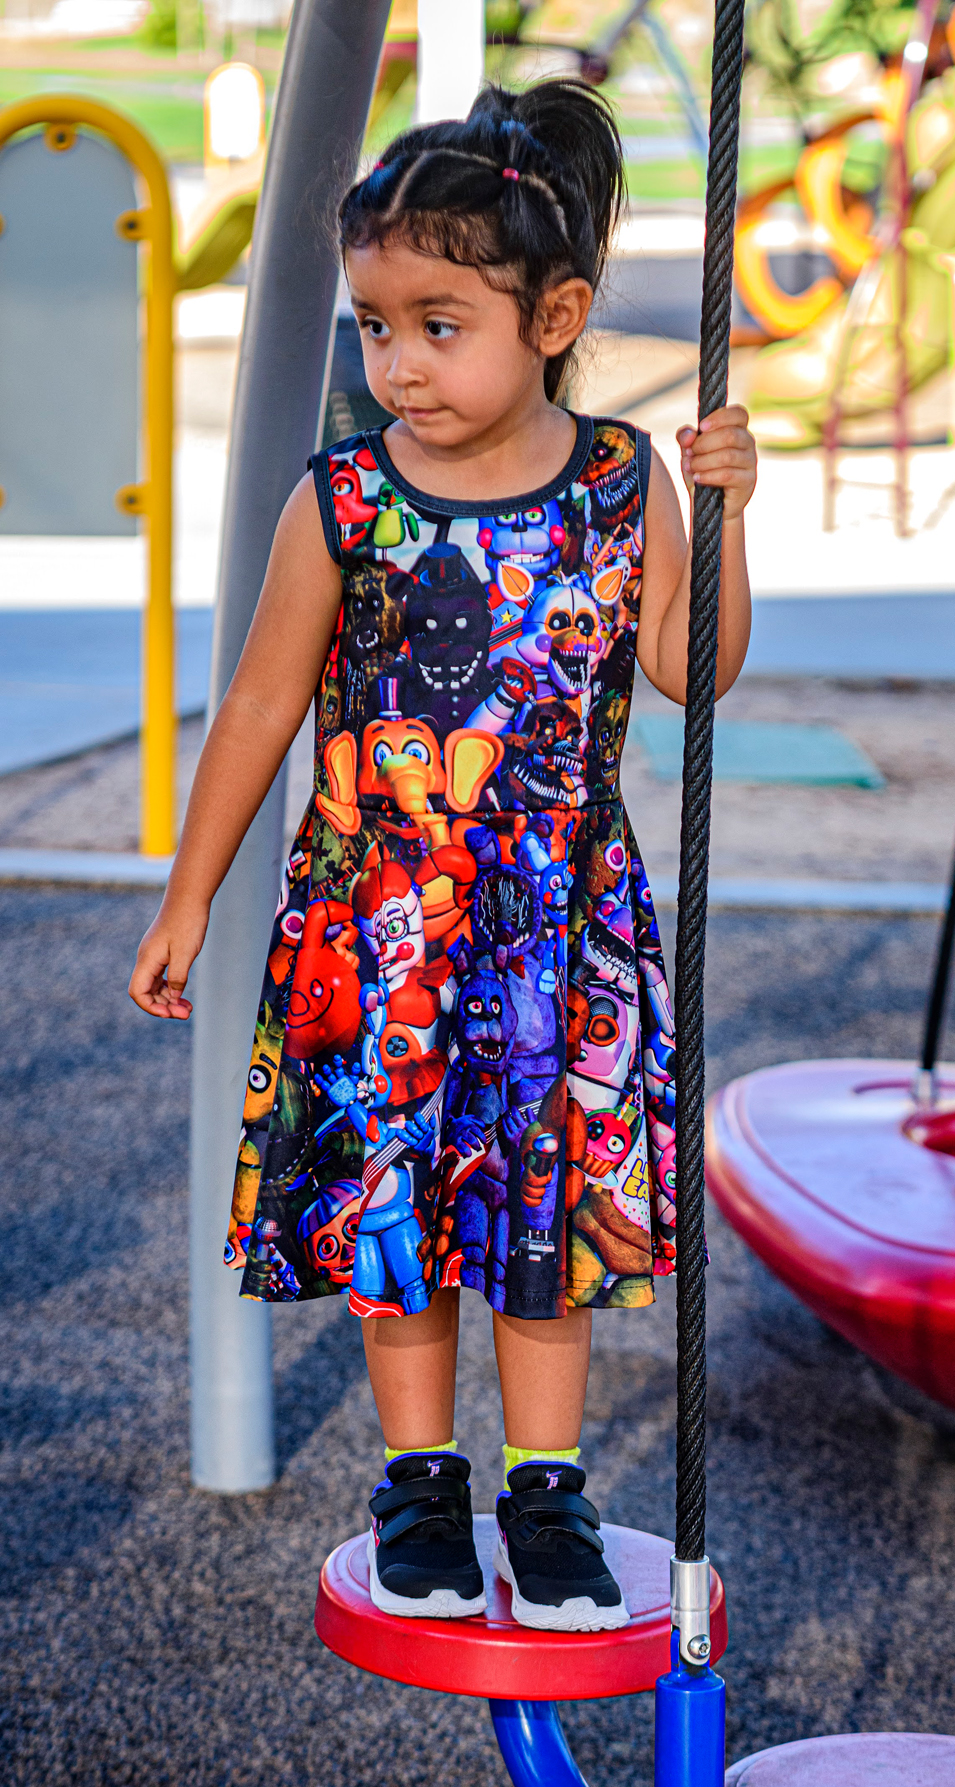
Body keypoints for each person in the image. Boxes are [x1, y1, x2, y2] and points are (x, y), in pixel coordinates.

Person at [129, 80, 756, 1633]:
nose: (399, 362)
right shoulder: (343, 501)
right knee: (398, 1221)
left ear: (556, 317)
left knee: (547, 1227)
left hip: (555, 931)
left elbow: (691, 669)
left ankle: (546, 1491)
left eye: (437, 324)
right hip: (379, 930)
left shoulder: (619, 483)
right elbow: (260, 705)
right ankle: (420, 1483)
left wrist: (733, 514)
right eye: (374, 326)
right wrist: (191, 895)